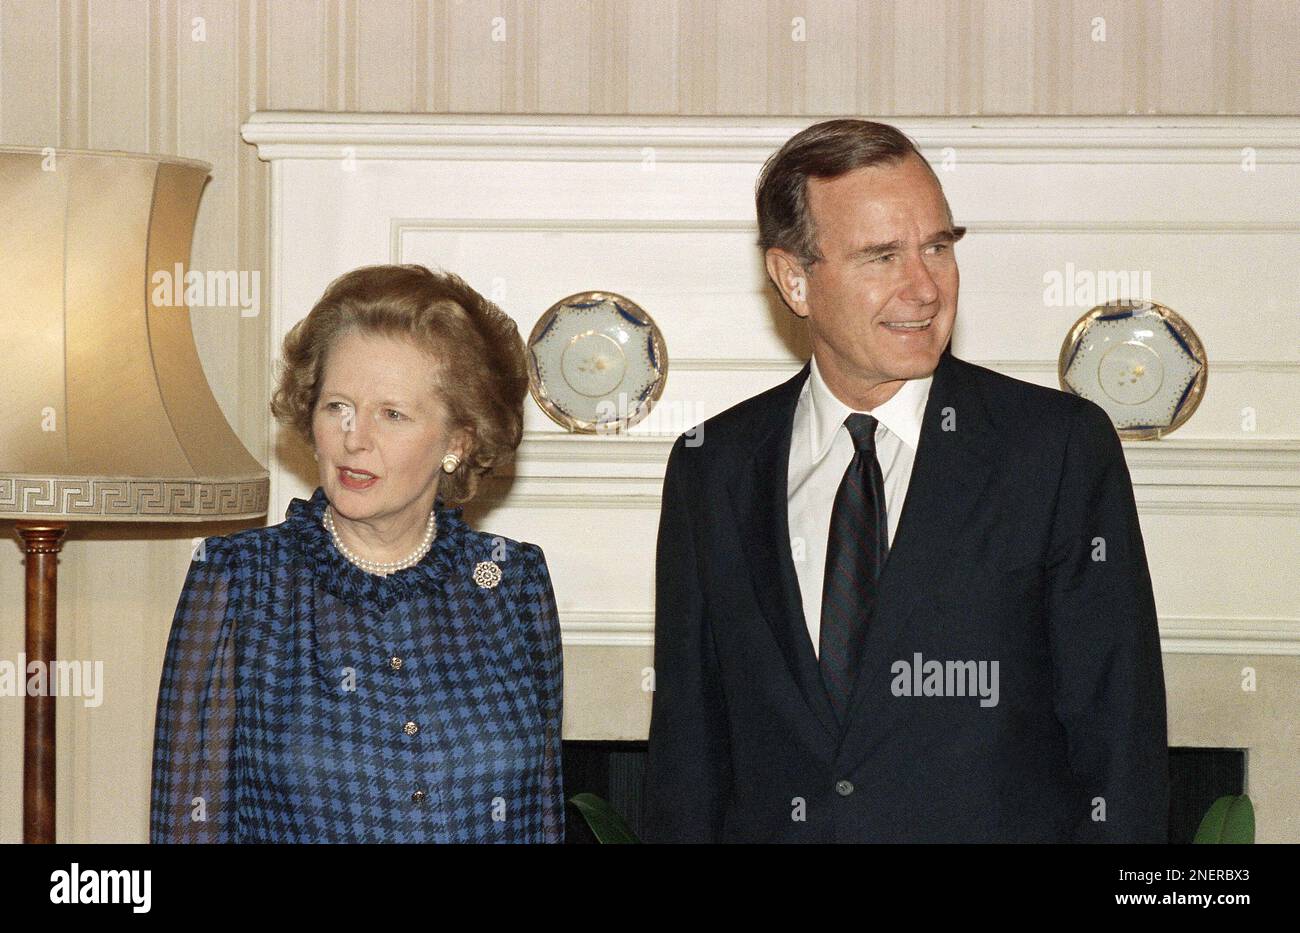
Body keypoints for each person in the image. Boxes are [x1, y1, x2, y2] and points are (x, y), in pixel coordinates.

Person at [644, 119, 1169, 843]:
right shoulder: (713, 465)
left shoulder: (1057, 450)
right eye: (882, 255)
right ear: (794, 279)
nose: (924, 287)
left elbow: (1121, 740)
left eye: (938, 246)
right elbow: (687, 752)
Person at [150, 264, 563, 843]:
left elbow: (540, 820)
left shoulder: (512, 583)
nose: (354, 437)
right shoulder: (239, 582)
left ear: (458, 440)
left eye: (391, 414)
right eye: (337, 406)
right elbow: (188, 824)